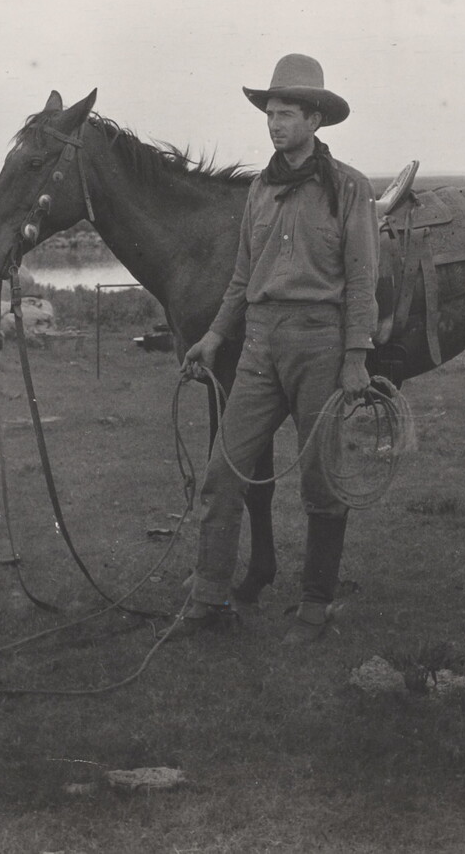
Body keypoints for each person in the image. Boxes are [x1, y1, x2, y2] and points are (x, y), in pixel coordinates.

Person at [172, 54, 380, 643]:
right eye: (270, 113)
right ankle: (208, 600)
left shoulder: (349, 189)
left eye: (286, 113)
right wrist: (214, 336)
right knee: (222, 471)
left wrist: (356, 356)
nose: (274, 124)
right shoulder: (260, 190)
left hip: (321, 343)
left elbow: (362, 279)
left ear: (314, 118)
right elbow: (242, 275)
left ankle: (316, 604)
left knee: (321, 480)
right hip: (259, 346)